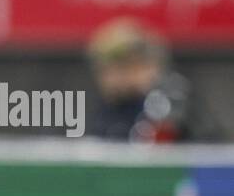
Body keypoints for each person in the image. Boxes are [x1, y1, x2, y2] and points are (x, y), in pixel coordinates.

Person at [86, 18, 221, 143]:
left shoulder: (173, 96)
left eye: (129, 66)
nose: (114, 78)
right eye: (106, 71)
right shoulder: (110, 110)